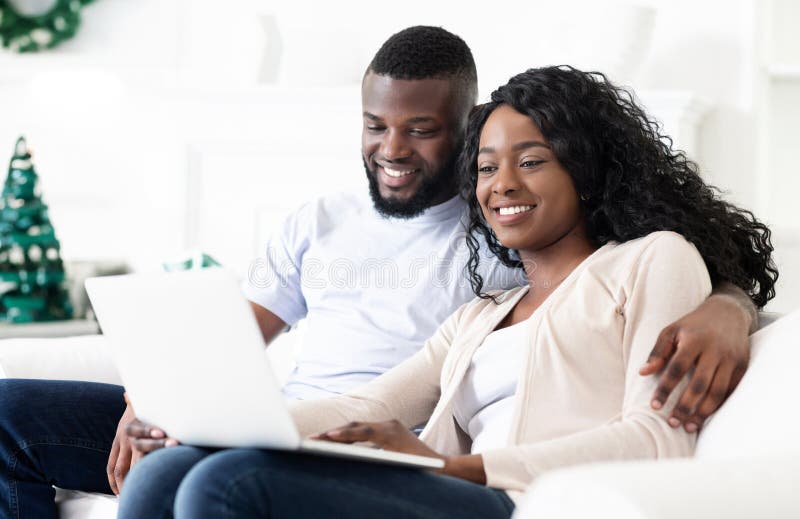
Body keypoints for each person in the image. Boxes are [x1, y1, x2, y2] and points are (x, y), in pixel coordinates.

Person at [0, 28, 760, 518]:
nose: (502, 185)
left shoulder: (648, 260)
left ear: (586, 169)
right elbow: (369, 398)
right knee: (172, 471)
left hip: (490, 487)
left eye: (532, 161)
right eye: (490, 167)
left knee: (217, 484)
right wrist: (196, 417)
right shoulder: (487, 307)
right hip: (378, 454)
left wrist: (730, 301)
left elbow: (657, 436)